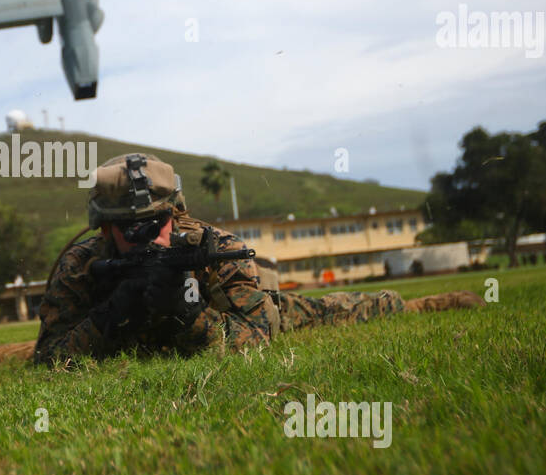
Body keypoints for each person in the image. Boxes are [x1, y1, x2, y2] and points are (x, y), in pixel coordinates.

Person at [33, 153, 483, 363]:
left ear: (175, 214)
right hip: (131, 338)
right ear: (103, 227)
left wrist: (189, 317)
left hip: (241, 307)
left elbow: (259, 336)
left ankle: (417, 303)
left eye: (154, 224)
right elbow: (47, 359)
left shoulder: (209, 250)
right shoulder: (81, 265)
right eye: (127, 230)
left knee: (333, 310)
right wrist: (113, 313)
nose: (143, 238)